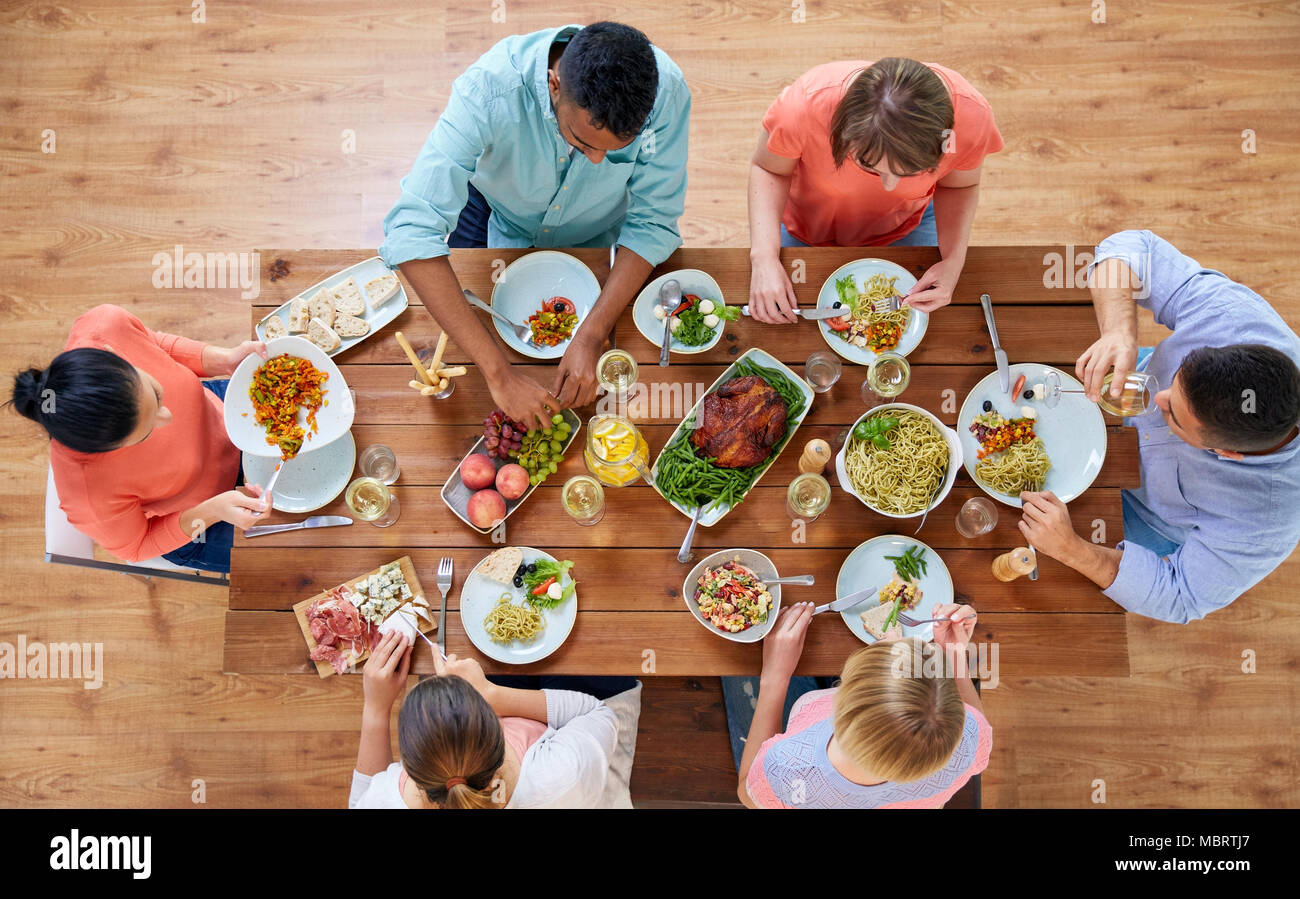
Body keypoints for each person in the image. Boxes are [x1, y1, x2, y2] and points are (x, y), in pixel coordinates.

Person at [380, 21, 690, 430]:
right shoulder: (487, 91)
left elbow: (652, 221)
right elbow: (411, 233)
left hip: (600, 231)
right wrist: (499, 374)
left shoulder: (666, 93)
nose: (597, 162)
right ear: (554, 84)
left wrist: (592, 334)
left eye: (614, 152)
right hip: (497, 211)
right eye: (581, 143)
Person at [1019, 230, 1300, 624]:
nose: (1157, 401)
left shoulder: (1267, 521)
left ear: (1228, 454)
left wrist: (1072, 549)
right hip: (1120, 377)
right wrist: (1120, 331)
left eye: (1174, 416)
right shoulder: (1235, 320)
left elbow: (1181, 596)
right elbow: (1132, 247)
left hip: (1140, 512)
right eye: (1177, 381)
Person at [8, 304, 272, 573]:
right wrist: (211, 512)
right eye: (146, 433)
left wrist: (221, 358)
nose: (167, 417)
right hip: (200, 521)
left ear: (115, 354)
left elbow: (155, 344)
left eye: (157, 396)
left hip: (223, 412)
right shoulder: (88, 495)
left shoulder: (105, 328)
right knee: (302, 551)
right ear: (104, 452)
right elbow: (137, 546)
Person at [747, 57, 1003, 322]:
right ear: (844, 132)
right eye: (869, 166)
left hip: (908, 224)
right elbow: (770, 169)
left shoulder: (972, 119)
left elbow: (959, 186)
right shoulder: (802, 108)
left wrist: (953, 261)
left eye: (910, 173)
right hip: (806, 226)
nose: (889, 187)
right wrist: (763, 258)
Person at [737, 602, 990, 809]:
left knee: (741, 677)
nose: (892, 632)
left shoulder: (789, 767)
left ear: (840, 693)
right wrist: (955, 655)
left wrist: (774, 678)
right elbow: (971, 714)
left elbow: (748, 793)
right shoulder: (969, 737)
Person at [349, 632, 640, 809]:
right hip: (569, 739)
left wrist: (376, 708)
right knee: (585, 649)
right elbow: (596, 713)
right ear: (496, 728)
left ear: (411, 770)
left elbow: (365, 798)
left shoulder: (384, 799)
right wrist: (492, 694)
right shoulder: (560, 775)